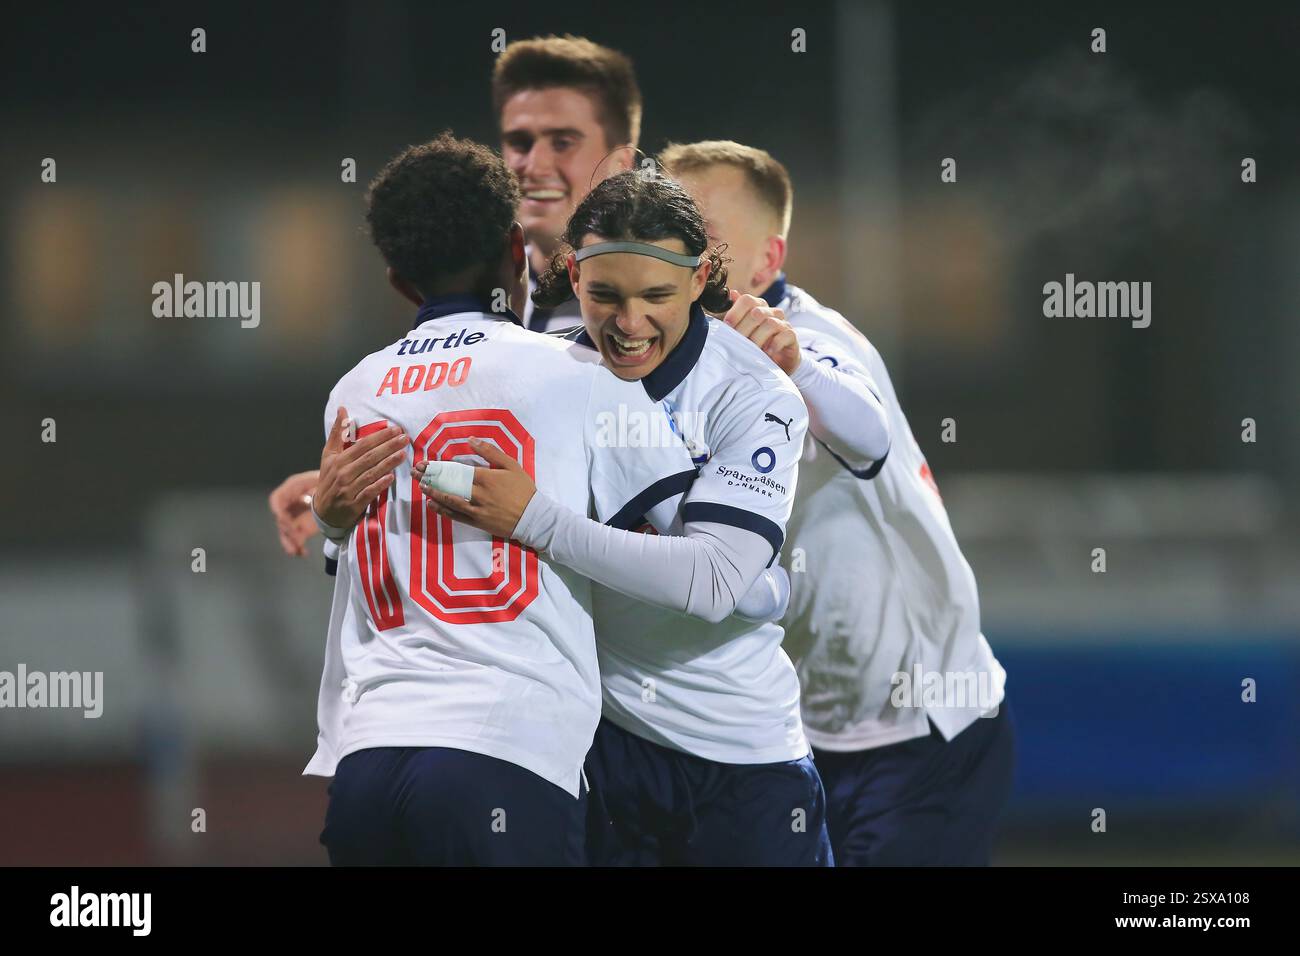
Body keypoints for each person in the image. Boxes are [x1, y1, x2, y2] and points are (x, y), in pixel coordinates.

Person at [421, 169, 890, 865]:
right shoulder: (541, 365)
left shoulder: (754, 393)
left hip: (738, 756)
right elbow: (443, 466)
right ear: (573, 276)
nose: (629, 324)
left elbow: (708, 586)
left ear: (700, 280)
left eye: (656, 296)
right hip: (597, 746)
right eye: (605, 295)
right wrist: (333, 505)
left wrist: (538, 521)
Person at [305, 133, 699, 865]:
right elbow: (696, 549)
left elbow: (350, 555)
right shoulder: (577, 372)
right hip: (504, 753)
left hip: (367, 764)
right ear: (518, 250)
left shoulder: (354, 390)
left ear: (398, 280)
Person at [660, 140, 1014, 865]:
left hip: (922, 727)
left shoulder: (814, 338)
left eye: (707, 242)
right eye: (669, 236)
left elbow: (867, 432)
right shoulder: (669, 361)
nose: (684, 259)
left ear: (767, 261)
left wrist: (789, 362)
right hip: (804, 726)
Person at [269, 35, 643, 551]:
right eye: (519, 141)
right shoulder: (495, 320)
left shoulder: (686, 312)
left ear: (620, 162)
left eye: (562, 142)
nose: (533, 163)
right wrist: (337, 496)